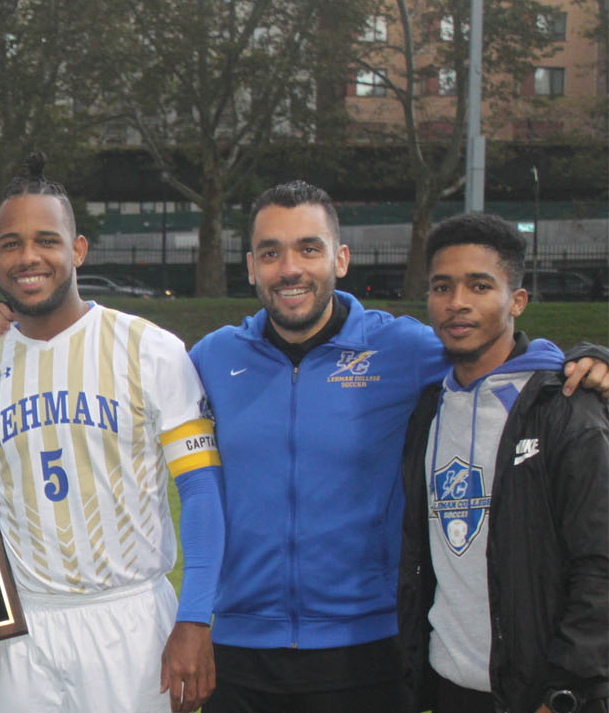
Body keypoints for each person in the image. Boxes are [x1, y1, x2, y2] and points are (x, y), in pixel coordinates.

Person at [185, 181, 608, 713]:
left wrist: (583, 358)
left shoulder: (401, 348)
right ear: (251, 266)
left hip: (369, 650)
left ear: (340, 259)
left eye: (308, 249)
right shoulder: (212, 358)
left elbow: (495, 351)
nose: (289, 268)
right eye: (271, 253)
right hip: (240, 651)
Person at [0, 154, 225, 713]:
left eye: (47, 239)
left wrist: (194, 619)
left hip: (130, 619)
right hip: (24, 629)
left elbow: (202, 493)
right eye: (12, 244)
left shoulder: (150, 348)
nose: (30, 257)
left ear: (78, 249)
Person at [396, 214, 607, 713]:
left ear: (517, 300)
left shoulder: (566, 409)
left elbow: (598, 564)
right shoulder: (428, 409)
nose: (457, 302)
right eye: (442, 287)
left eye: (479, 285)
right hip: (450, 684)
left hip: (544, 692)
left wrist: (566, 690)